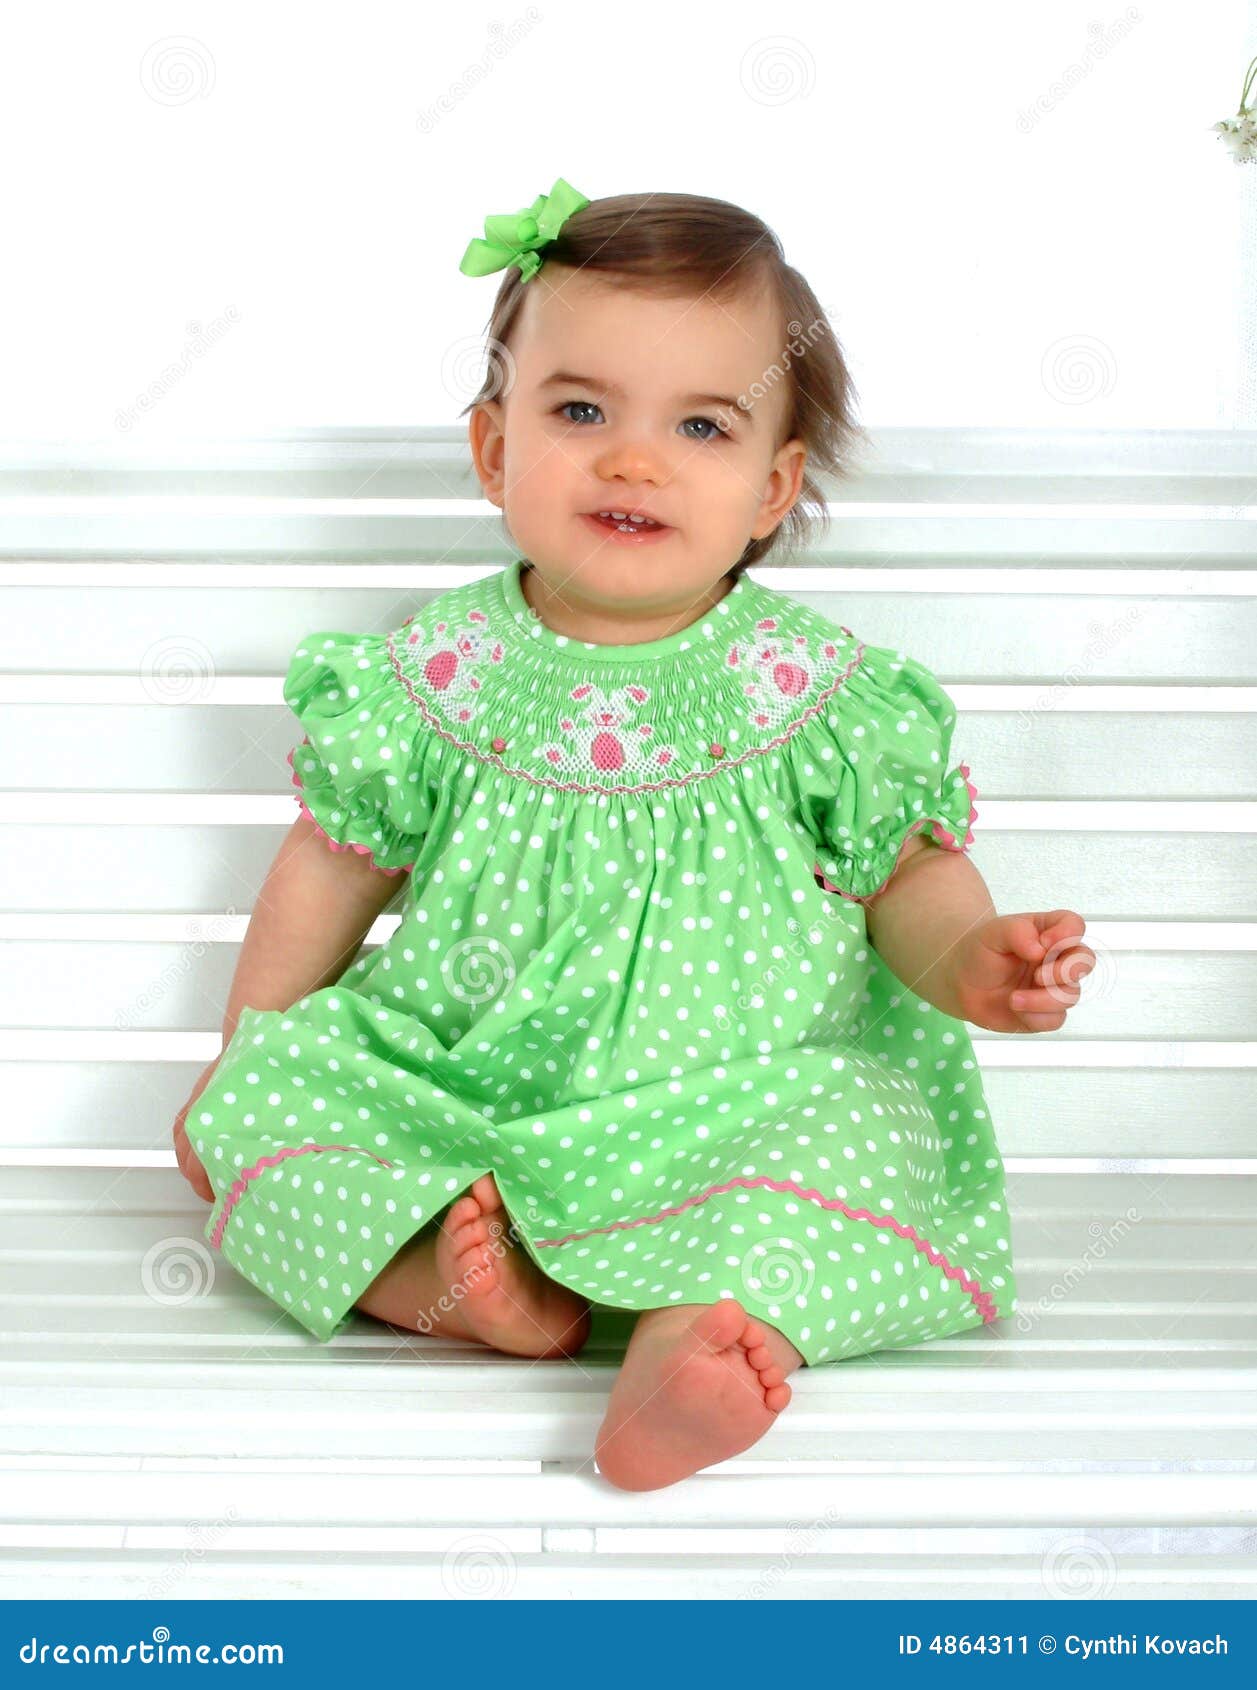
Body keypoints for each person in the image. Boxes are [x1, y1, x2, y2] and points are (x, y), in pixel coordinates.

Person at [176, 177, 1095, 1493]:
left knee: (857, 1116)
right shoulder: (436, 672)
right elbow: (333, 860)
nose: (632, 457)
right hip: (466, 1100)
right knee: (257, 1110)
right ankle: (446, 1272)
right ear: (495, 450)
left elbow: (910, 874)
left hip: (728, 1114)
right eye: (580, 409)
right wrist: (240, 1064)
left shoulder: (818, 691)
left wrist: (974, 963)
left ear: (773, 487)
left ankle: (695, 1343)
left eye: (700, 425)